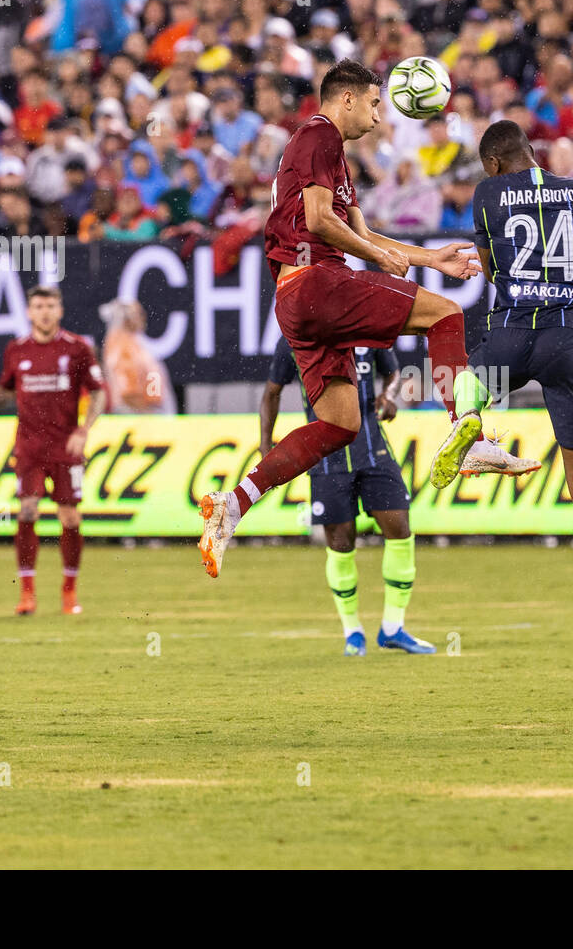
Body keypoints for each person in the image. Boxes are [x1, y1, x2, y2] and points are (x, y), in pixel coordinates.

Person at [196, 62, 534, 580]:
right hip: (317, 281)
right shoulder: (319, 136)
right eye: (376, 104)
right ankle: (468, 434)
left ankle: (234, 504)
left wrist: (429, 259)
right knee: (445, 316)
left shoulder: (331, 158)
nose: (379, 117)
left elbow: (365, 234)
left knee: (339, 423)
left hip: (295, 298)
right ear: (347, 99)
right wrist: (375, 256)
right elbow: (319, 222)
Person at [455, 120, 573, 698]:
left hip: (510, 331)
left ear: (496, 164)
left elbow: (493, 268)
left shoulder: (487, 196)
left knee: (461, 377)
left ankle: (469, 431)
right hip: (565, 341)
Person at [262, 338, 430, 656]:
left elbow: (393, 374)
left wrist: (388, 395)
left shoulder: (367, 331)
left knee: (400, 529)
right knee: (340, 544)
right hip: (326, 459)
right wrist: (264, 445)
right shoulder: (296, 342)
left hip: (374, 452)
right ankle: (352, 632)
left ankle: (393, 627)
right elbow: (272, 392)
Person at [0, 286, 106, 616]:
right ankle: (27, 594)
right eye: (38, 306)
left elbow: (99, 393)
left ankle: (69, 591)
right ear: (29, 312)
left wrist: (83, 430)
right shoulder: (16, 350)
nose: (44, 312)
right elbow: (6, 387)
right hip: (29, 447)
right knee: (27, 510)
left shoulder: (77, 348)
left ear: (59, 311)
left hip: (64, 446)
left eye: (50, 306)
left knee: (70, 515)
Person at [99, 299, 176, 415]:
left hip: (144, 413)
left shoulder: (132, 344)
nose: (143, 317)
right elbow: (129, 393)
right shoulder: (123, 347)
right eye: (138, 313)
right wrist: (150, 416)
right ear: (126, 319)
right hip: (137, 416)